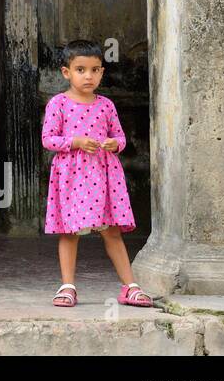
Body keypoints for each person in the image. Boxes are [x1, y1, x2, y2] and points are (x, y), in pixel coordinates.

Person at [42, 39, 152, 308]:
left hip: (104, 177)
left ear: (102, 72)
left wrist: (116, 144)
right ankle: (68, 286)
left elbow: (120, 137)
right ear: (66, 72)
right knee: (69, 232)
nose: (88, 76)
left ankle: (130, 286)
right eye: (80, 70)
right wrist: (76, 142)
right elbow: (48, 139)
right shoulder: (58, 104)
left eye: (94, 70)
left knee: (112, 231)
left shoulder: (106, 105)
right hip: (72, 177)